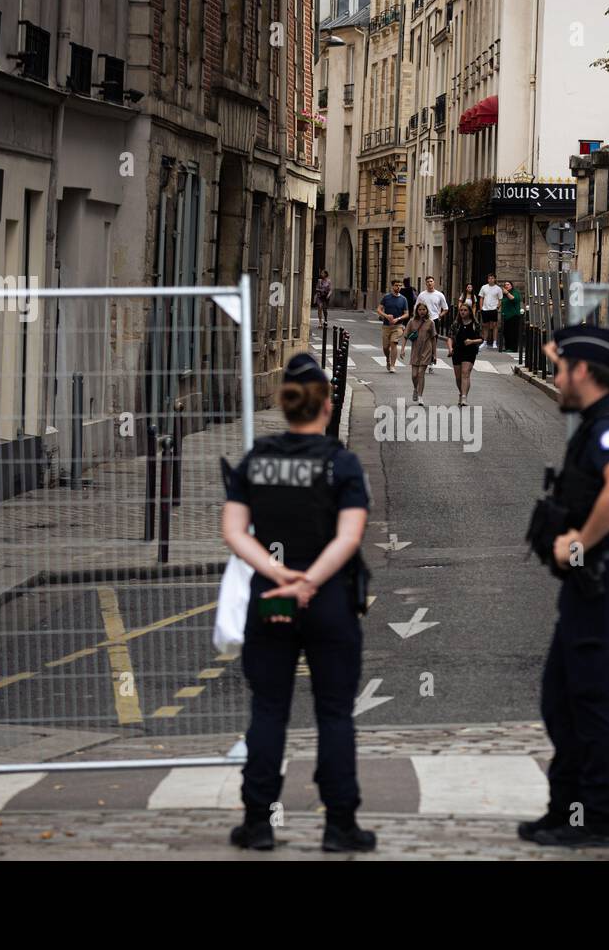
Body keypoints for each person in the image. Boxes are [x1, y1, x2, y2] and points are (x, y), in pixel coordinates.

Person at [221, 352, 376, 854]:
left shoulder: (257, 459)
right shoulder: (341, 464)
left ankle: (258, 822)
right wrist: (310, 580)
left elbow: (232, 532)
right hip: (329, 600)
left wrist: (276, 572)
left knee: (268, 711)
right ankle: (339, 825)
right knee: (334, 713)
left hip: (271, 600)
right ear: (327, 406)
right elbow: (349, 537)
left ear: (286, 404)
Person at [520, 324, 609, 849]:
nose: (555, 378)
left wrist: (577, 541)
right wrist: (561, 347)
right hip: (598, 577)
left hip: (605, 573)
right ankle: (566, 810)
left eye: (560, 370)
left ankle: (598, 818)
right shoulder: (603, 415)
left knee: (590, 700)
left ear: (583, 372)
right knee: (563, 697)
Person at [446, 301, 484, 406]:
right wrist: (450, 348)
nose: (463, 312)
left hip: (470, 351)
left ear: (470, 312)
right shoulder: (456, 324)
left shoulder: (475, 324)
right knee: (458, 377)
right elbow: (450, 337)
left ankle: (464, 397)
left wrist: (472, 341)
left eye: (465, 310)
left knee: (465, 373)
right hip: (457, 350)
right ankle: (461, 393)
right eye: (461, 310)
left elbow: (481, 339)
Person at [405, 301, 437, 404]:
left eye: (424, 309)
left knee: (420, 373)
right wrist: (402, 349)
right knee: (414, 375)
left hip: (426, 350)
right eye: (420, 310)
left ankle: (420, 396)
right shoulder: (412, 322)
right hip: (415, 351)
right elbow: (406, 336)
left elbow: (433, 339)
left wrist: (434, 354)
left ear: (427, 310)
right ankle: (415, 388)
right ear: (416, 311)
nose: (422, 311)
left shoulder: (430, 323)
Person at [417, 276, 450, 371]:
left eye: (431, 281)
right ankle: (423, 359)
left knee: (433, 341)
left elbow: (446, 308)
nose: (429, 283)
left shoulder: (439, 295)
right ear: (425, 283)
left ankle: (431, 361)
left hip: (434, 320)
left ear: (434, 283)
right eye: (428, 282)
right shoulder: (422, 295)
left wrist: (440, 316)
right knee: (422, 340)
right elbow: (417, 307)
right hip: (423, 320)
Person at [377, 279, 409, 373]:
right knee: (385, 347)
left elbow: (406, 314)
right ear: (392, 286)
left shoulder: (403, 299)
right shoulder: (386, 297)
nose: (398, 287)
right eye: (396, 285)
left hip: (398, 326)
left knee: (393, 343)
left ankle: (392, 365)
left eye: (400, 285)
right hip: (386, 326)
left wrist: (398, 319)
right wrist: (386, 316)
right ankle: (388, 358)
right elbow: (379, 309)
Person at [478, 273, 504, 348]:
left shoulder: (498, 288)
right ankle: (485, 341)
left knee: (494, 325)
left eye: (492, 278)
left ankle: (494, 342)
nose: (490, 280)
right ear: (487, 279)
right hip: (485, 309)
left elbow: (500, 299)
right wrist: (481, 307)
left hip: (493, 309)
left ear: (495, 279)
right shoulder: (484, 287)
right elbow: (481, 298)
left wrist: (497, 307)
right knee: (485, 325)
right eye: (489, 278)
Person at [500, 280, 524, 353]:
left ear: (511, 286)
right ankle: (508, 347)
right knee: (506, 332)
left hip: (513, 316)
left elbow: (514, 299)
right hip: (506, 316)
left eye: (508, 284)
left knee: (513, 333)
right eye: (505, 285)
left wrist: (507, 293)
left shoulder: (515, 292)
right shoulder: (504, 294)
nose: (506, 286)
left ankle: (513, 348)